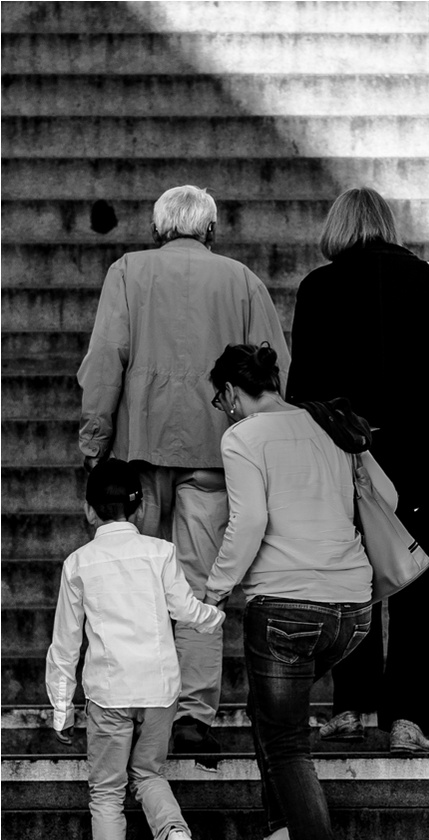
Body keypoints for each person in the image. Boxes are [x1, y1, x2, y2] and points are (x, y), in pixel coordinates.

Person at [77, 184, 291, 762]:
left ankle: (139, 706)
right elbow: (275, 370)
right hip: (216, 456)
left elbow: (105, 361)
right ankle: (195, 713)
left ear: (158, 230)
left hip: (138, 454)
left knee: (135, 582)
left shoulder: (127, 273)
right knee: (198, 587)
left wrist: (95, 438)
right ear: (211, 232)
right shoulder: (242, 280)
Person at [286, 187, 429, 754]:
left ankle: (351, 707)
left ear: (339, 227)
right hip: (427, 457)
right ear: (387, 225)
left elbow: (302, 390)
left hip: (349, 458)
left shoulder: (319, 288)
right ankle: (409, 719)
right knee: (420, 582)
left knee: (353, 578)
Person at [203, 343, 373, 840]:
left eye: (219, 399)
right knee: (270, 712)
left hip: (286, 611)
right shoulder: (327, 422)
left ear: (230, 392)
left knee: (286, 742)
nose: (222, 410)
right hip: (353, 609)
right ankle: (280, 825)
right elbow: (390, 498)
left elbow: (248, 521)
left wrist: (214, 586)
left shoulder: (242, 437)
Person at [45, 461, 225, 840]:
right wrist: (214, 616)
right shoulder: (161, 552)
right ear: (141, 507)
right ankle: (175, 834)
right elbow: (184, 609)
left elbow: (65, 643)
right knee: (148, 774)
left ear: (88, 510)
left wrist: (62, 709)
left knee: (107, 794)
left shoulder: (78, 564)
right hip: (160, 688)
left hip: (109, 692)